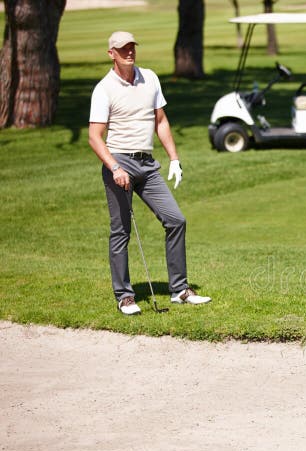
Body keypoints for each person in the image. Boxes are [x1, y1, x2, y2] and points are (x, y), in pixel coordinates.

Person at [88, 31, 211, 315]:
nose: (129, 52)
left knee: (176, 220)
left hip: (148, 165)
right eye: (122, 49)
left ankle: (179, 290)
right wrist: (115, 167)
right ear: (111, 54)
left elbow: (161, 121)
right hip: (119, 161)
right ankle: (125, 297)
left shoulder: (150, 78)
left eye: (131, 47)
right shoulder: (104, 88)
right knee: (121, 231)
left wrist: (174, 159)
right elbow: (95, 136)